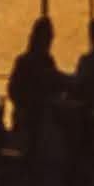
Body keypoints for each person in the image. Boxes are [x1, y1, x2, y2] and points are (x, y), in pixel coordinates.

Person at [7, 11, 66, 154]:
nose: (49, 41)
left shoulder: (42, 61)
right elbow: (14, 90)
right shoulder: (29, 61)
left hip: (39, 114)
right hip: (31, 115)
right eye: (47, 37)